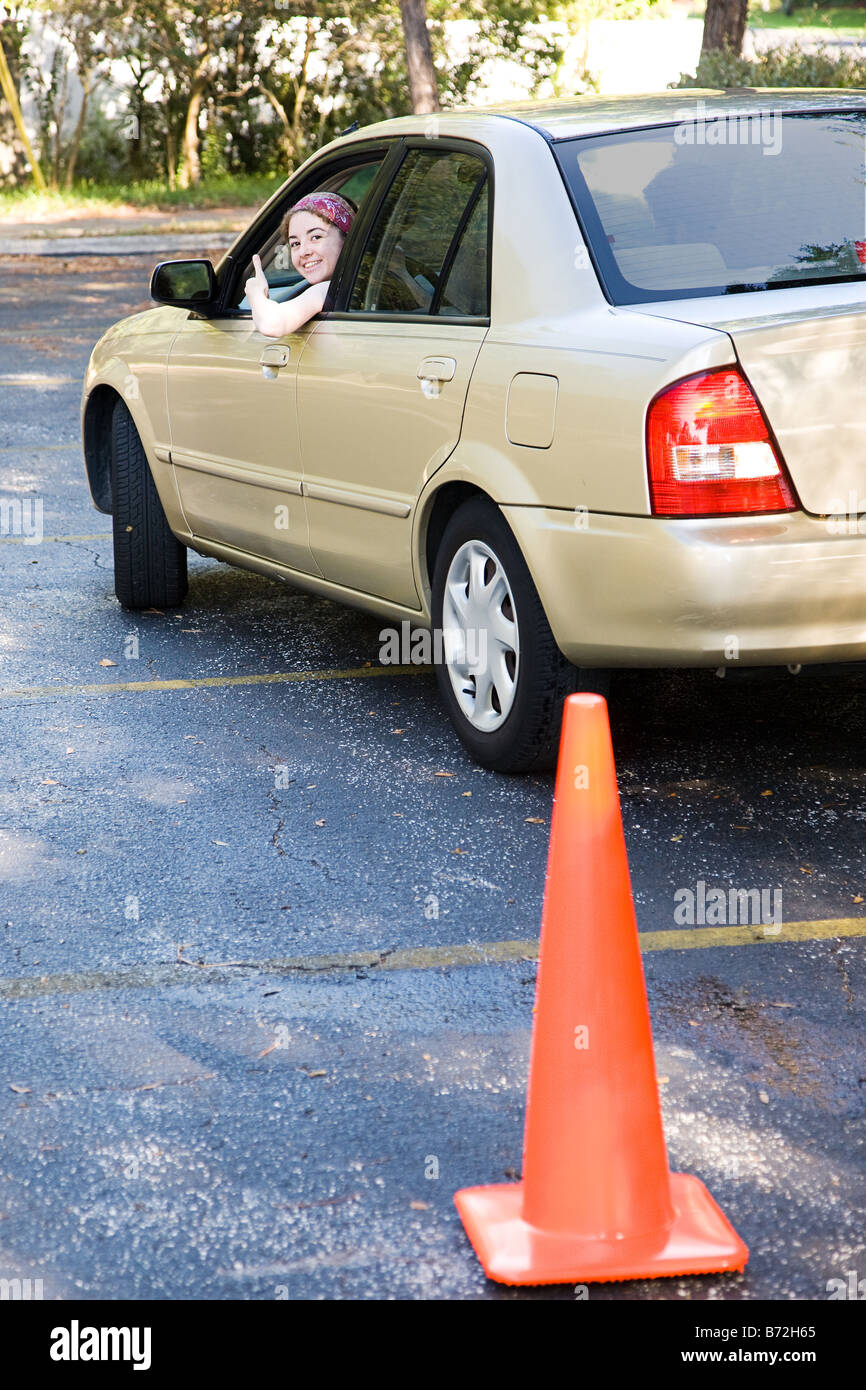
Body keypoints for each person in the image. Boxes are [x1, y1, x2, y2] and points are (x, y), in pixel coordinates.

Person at [244, 191, 356, 338]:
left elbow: (271, 323)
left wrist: (255, 292)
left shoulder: (328, 290)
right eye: (295, 243)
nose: (303, 251)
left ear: (347, 239)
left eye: (316, 237)